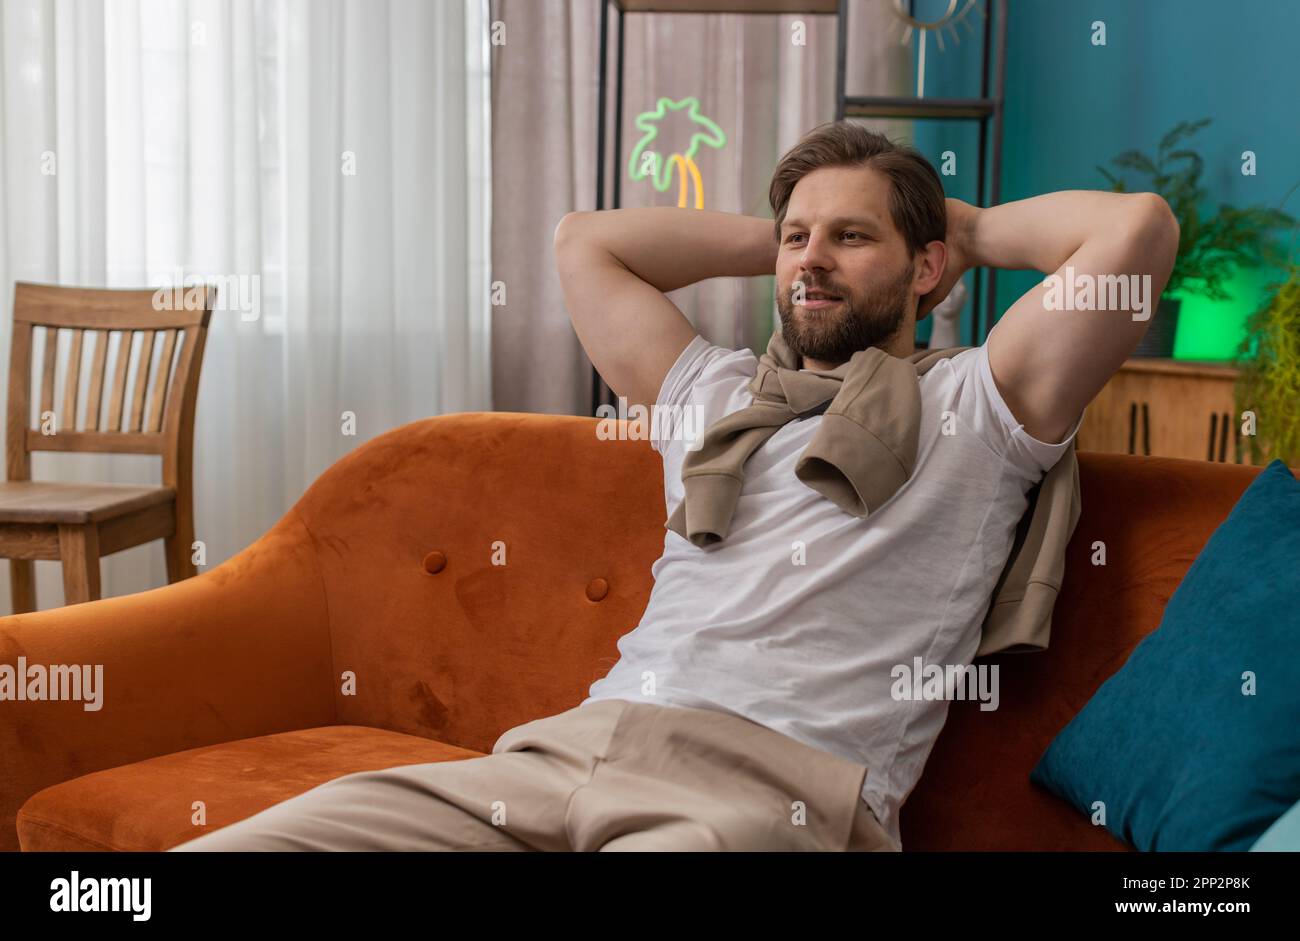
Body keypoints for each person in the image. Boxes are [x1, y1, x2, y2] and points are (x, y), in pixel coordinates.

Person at [172, 120, 1177, 852]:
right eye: (795, 241)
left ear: (927, 271)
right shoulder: (716, 391)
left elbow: (1139, 229)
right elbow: (584, 242)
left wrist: (964, 226)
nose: (809, 262)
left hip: (768, 792)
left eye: (851, 239)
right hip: (562, 754)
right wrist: (798, 229)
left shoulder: (981, 405)